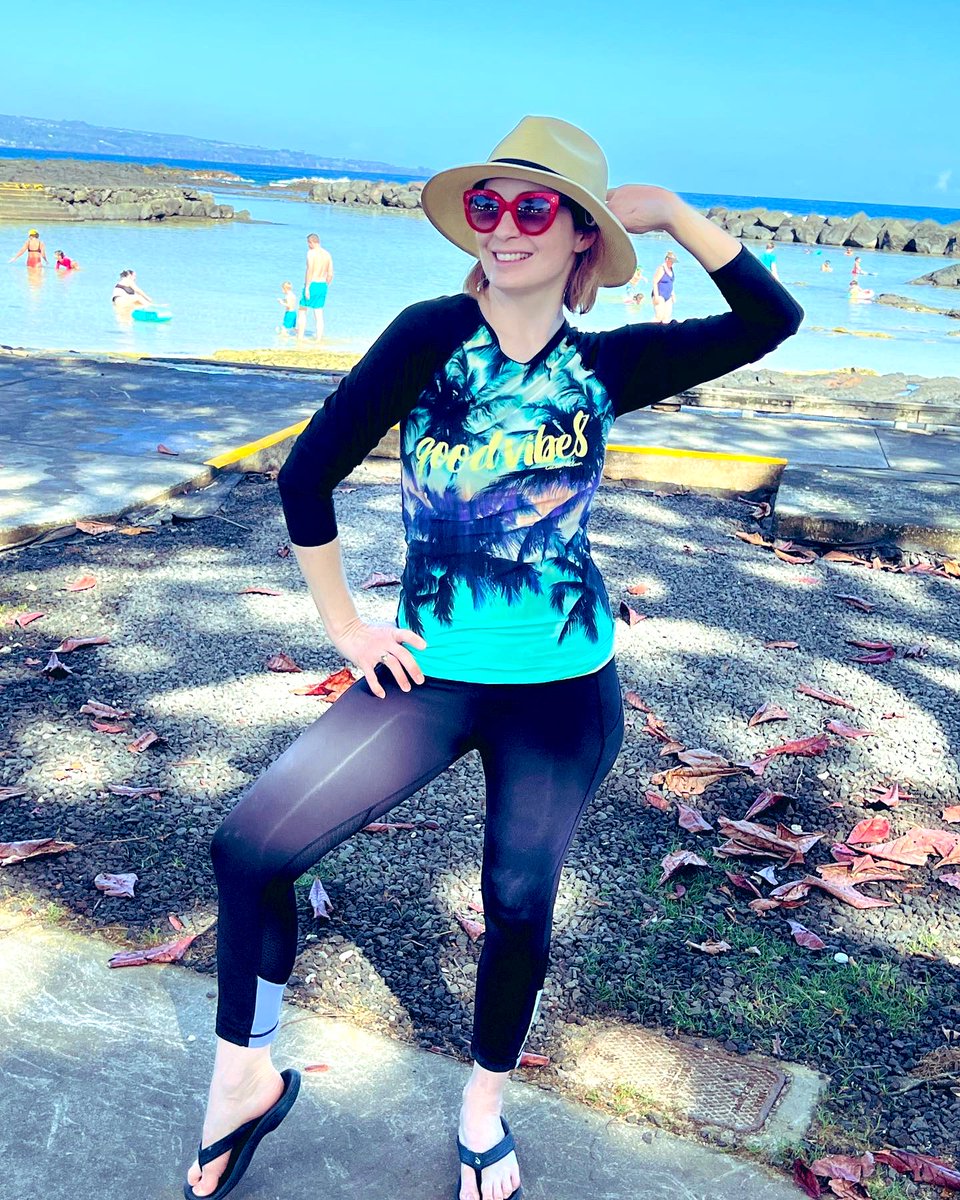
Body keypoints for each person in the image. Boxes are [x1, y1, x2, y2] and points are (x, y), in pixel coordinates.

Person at [183, 115, 803, 1200]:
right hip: (429, 673)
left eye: (534, 208)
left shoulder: (608, 366)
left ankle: (482, 1110)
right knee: (251, 850)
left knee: (517, 900)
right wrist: (347, 630)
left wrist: (669, 214)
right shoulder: (429, 337)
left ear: (581, 236)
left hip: (563, 690)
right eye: (488, 205)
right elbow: (305, 477)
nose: (504, 228)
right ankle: (243, 1079)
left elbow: (772, 319)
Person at [297, 233, 334, 340]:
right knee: (319, 314)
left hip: (312, 283)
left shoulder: (311, 253)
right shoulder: (327, 254)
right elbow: (330, 274)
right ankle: (318, 339)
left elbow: (310, 270)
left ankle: (300, 337)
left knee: (302, 310)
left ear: (311, 242)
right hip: (322, 284)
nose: (308, 246)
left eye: (308, 243)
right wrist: (326, 285)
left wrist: (307, 287)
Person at [650, 249, 677, 322]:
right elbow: (655, 282)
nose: (672, 263)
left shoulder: (671, 269)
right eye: (671, 261)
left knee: (666, 317)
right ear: (667, 260)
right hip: (660, 295)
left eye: (673, 262)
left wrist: (673, 294)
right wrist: (656, 296)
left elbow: (670, 283)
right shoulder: (661, 268)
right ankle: (650, 329)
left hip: (668, 296)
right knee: (659, 316)